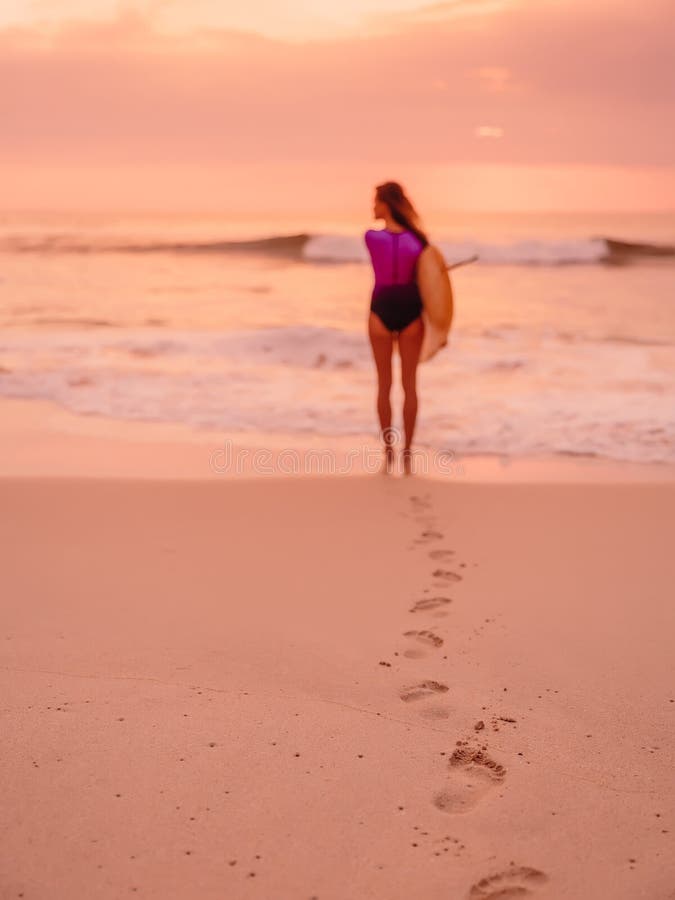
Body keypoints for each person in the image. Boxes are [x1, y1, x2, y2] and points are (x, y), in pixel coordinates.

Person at [364, 181, 429, 474]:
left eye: (376, 201)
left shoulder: (370, 237)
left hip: (380, 309)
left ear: (386, 203)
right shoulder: (418, 241)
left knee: (384, 385)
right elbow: (429, 281)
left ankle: (388, 450)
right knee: (409, 385)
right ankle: (407, 453)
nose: (372, 208)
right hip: (412, 310)